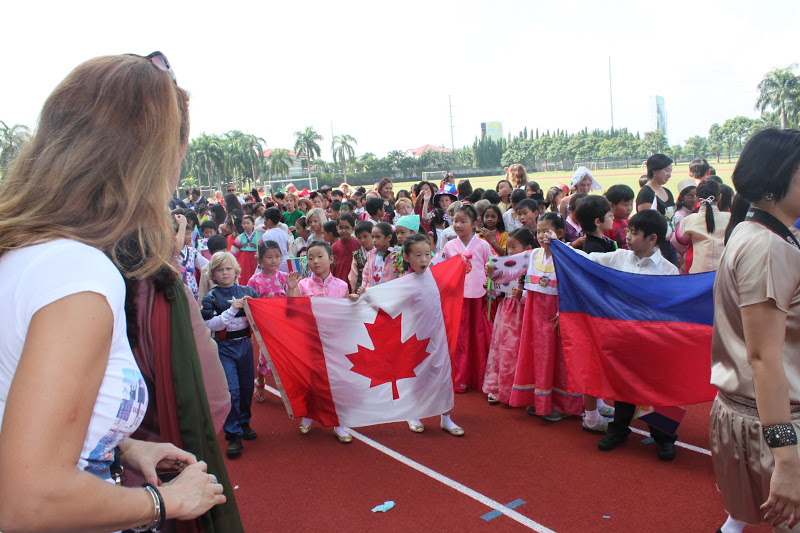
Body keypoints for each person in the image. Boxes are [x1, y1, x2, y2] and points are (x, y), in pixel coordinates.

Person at [0, 52, 224, 532]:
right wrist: (164, 502)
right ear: (155, 158)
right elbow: (28, 500)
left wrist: (120, 444)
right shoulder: (79, 273)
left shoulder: (30, 252)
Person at [709, 128, 800, 532]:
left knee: (738, 521)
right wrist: (786, 458)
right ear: (780, 179)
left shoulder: (754, 231)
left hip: (750, 413)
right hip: (779, 421)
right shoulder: (767, 246)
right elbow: (763, 358)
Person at [568, 210, 680, 459]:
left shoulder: (669, 271)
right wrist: (558, 246)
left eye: (634, 232)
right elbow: (588, 259)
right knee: (623, 385)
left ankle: (665, 437)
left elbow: (672, 310)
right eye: (629, 230)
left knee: (657, 389)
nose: (627, 236)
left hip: (653, 342)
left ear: (652, 239)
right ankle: (619, 429)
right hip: (623, 338)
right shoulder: (619, 257)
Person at [491, 213, 583, 420]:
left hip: (556, 318)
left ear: (559, 233)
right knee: (538, 357)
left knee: (557, 360)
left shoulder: (568, 256)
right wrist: (493, 269)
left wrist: (564, 314)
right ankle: (539, 400)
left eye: (546, 231)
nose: (541, 235)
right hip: (534, 318)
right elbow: (505, 268)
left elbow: (573, 289)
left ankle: (561, 404)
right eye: (539, 231)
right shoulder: (533, 255)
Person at [287, 241, 363, 443]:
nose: (315, 261)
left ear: (331, 259)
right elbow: (291, 313)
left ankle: (338, 422)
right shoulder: (302, 285)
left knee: (337, 381)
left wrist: (355, 301)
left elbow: (347, 314)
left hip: (336, 343)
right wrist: (291, 289)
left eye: (320, 256)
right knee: (312, 380)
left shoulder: (342, 285)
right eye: (310, 257)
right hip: (311, 342)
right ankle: (309, 414)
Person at [400, 233, 465, 436]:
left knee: (443, 376)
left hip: (438, 337)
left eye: (427, 254)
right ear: (406, 257)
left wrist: (462, 267)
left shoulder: (437, 276)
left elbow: (453, 282)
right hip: (415, 339)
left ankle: (446, 418)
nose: (423, 259)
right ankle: (414, 414)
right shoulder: (404, 282)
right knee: (417, 376)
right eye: (418, 255)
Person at [431, 205, 494, 393]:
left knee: (478, 336)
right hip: (457, 298)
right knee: (459, 338)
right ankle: (460, 378)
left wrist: (489, 283)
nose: (458, 225)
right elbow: (436, 267)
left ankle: (479, 377)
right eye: (455, 221)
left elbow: (492, 267)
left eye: (463, 221)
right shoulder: (450, 246)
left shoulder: (483, 245)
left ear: (474, 224)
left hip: (478, 298)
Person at [201, 252, 259, 457]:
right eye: (219, 269)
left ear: (236, 271)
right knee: (231, 390)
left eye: (228, 268)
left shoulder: (248, 290)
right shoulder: (211, 298)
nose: (225, 273)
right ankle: (232, 433)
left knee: (245, 387)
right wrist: (232, 309)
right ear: (213, 275)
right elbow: (210, 324)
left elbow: (262, 315)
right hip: (224, 348)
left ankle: (244, 423)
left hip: (245, 345)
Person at [483, 227, 535, 404]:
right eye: (509, 247)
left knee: (519, 350)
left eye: (514, 247)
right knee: (504, 349)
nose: (510, 251)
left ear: (528, 248)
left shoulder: (533, 268)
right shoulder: (505, 264)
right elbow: (496, 292)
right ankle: (500, 387)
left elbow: (538, 295)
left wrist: (523, 295)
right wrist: (489, 283)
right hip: (506, 312)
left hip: (524, 314)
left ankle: (519, 389)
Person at [248, 241, 289, 402]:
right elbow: (250, 305)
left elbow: (292, 300)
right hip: (264, 326)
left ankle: (286, 386)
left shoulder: (285, 278)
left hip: (282, 324)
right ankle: (261, 380)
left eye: (277, 256)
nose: (274, 261)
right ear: (260, 259)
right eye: (269, 257)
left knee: (283, 356)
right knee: (265, 356)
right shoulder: (254, 281)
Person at [671, 179, 730, 274]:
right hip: (724, 271)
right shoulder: (729, 218)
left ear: (697, 198)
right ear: (720, 197)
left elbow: (678, 242)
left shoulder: (689, 220)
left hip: (698, 273)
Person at [636, 154, 679, 266]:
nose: (669, 174)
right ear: (654, 170)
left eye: (670, 171)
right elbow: (645, 225)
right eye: (666, 170)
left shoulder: (667, 191)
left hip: (670, 244)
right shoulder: (646, 193)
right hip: (656, 247)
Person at [362, 222, 398, 288]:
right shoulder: (371, 255)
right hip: (374, 294)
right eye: (373, 237)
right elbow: (366, 275)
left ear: (389, 237)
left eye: (378, 237)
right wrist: (363, 288)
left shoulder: (395, 255)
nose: (374, 240)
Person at [230, 214, 261, 286]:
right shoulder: (240, 237)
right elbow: (233, 251)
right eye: (244, 224)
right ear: (241, 225)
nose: (246, 225)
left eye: (248, 223)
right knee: (243, 276)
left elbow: (261, 249)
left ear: (253, 224)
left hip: (255, 259)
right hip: (243, 260)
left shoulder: (259, 236)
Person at [332, 213, 360, 290]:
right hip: (338, 285)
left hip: (355, 285)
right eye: (341, 228)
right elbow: (331, 268)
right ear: (337, 229)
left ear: (353, 229)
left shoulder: (358, 245)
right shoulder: (333, 247)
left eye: (347, 228)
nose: (343, 231)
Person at [198, 233, 229, 302]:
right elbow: (202, 293)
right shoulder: (206, 269)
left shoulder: (232, 266)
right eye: (218, 253)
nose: (221, 255)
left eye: (223, 251)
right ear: (211, 252)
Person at [604, 184, 635, 250]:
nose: (629, 208)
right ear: (612, 205)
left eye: (631, 204)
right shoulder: (607, 225)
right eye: (625, 205)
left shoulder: (627, 221)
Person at [261, 207, 290, 272]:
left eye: (265, 219)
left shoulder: (267, 235)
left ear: (268, 221)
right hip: (287, 262)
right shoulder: (282, 231)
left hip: (276, 263)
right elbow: (287, 248)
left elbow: (267, 251)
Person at [348, 221, 374, 292]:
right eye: (359, 238)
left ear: (372, 235)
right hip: (360, 290)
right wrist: (354, 291)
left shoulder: (379, 252)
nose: (363, 240)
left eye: (365, 236)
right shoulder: (356, 255)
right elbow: (353, 277)